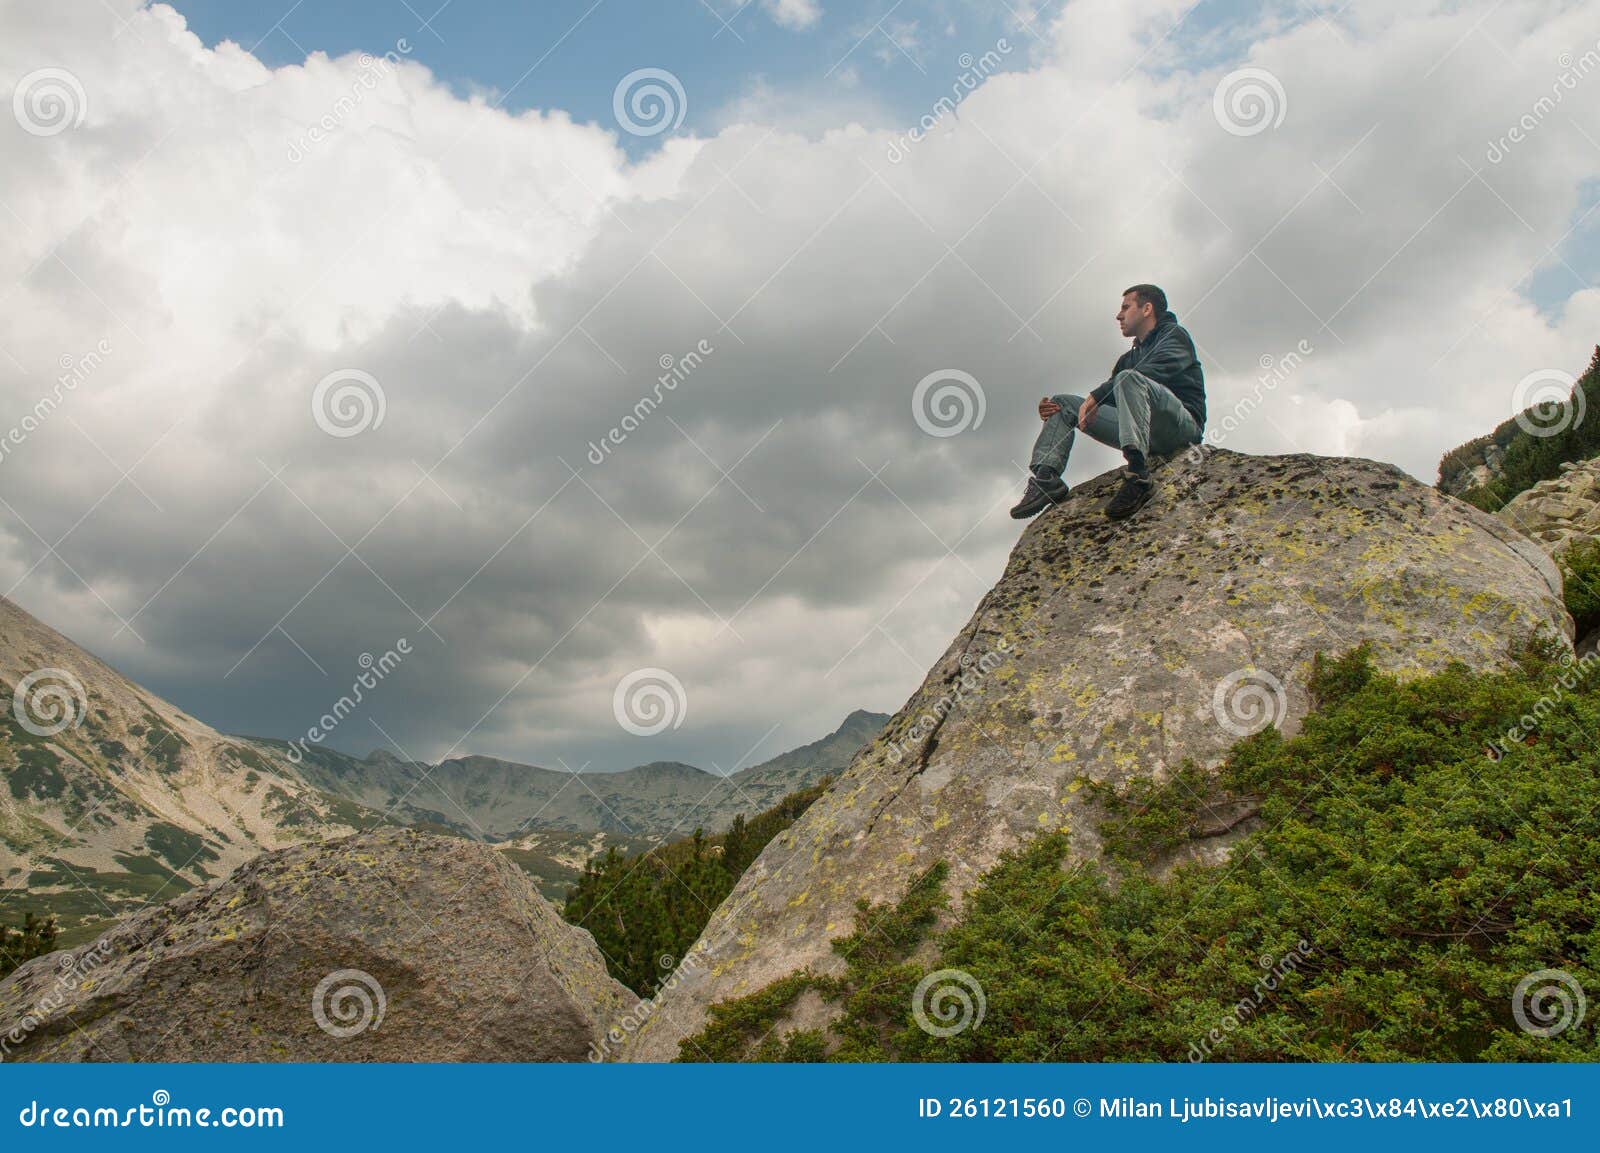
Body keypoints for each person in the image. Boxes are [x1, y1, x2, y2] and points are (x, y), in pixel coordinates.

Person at [1010, 284, 1206, 521]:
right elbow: (1116, 400)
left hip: (1181, 427)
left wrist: (1097, 396)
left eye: (1125, 307)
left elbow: (1153, 372)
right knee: (1064, 403)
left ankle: (1138, 477)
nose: (1118, 315)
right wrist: (1073, 410)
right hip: (1146, 434)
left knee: (1128, 378)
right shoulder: (1128, 359)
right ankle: (1046, 479)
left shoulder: (1175, 335)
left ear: (1146, 309)